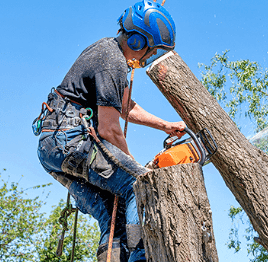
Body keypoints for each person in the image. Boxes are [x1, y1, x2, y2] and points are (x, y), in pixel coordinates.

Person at [35, 0, 185, 261]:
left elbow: (125, 105)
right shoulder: (112, 59)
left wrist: (165, 125)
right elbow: (109, 129)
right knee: (139, 183)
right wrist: (132, 165)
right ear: (138, 41)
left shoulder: (107, 52)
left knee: (111, 209)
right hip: (71, 140)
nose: (148, 57)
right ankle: (140, 257)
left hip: (52, 147)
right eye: (149, 50)